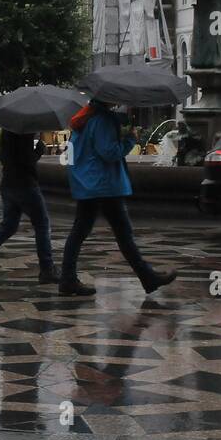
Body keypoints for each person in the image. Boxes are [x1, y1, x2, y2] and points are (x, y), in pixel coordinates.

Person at [58, 100, 178, 298]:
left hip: (90, 182)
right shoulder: (103, 120)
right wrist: (130, 139)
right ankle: (148, 277)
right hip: (104, 185)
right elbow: (109, 152)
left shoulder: (84, 118)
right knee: (123, 234)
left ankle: (68, 278)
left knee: (81, 232)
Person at [0, 130, 59, 285]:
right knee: (42, 224)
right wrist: (38, 151)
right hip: (25, 184)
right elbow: (26, 161)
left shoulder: (7, 131)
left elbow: (5, 158)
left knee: (8, 226)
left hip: (8, 182)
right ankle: (47, 269)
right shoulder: (23, 132)